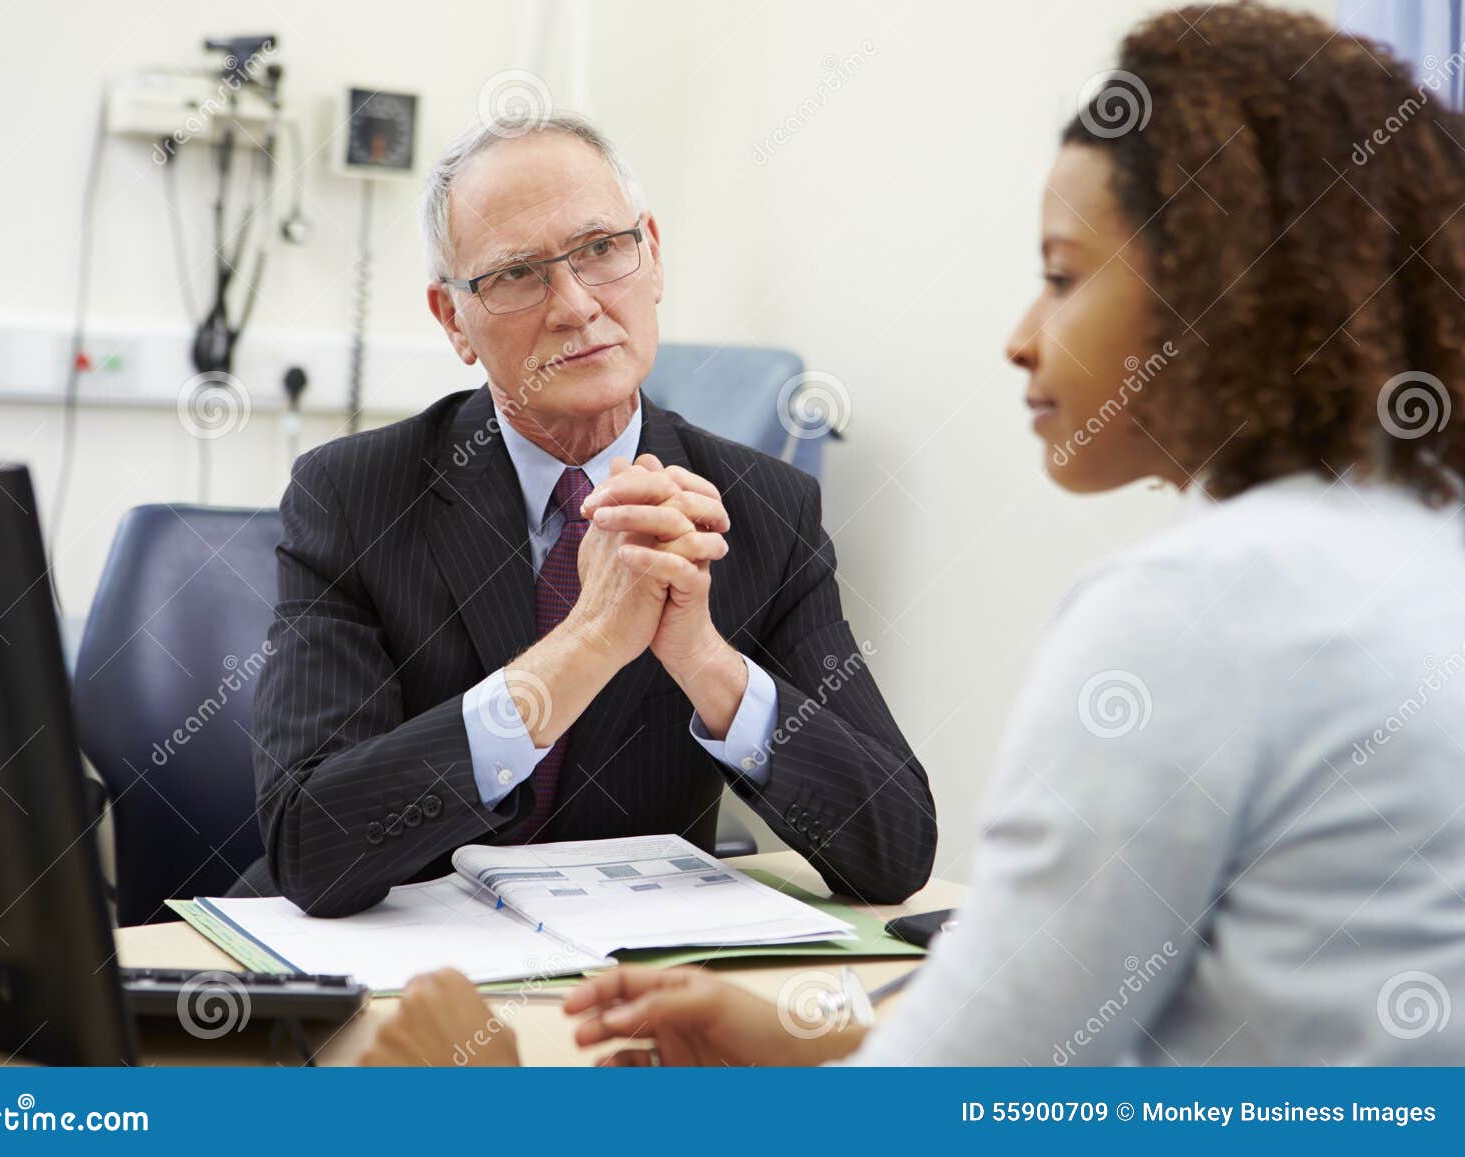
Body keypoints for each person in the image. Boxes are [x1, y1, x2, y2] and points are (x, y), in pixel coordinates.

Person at [362, 2, 1465, 1066]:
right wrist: (824, 1038)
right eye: (516, 275)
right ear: (453, 315)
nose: (1020, 337)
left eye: (1061, 276)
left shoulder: (1188, 606)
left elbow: (961, 1091)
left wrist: (486, 1105)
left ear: (1214, 289)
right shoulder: (1418, 552)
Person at [229, 112, 937, 918]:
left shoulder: (763, 508)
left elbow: (897, 847)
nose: (575, 305)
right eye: (517, 273)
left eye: (601, 248)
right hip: (400, 966)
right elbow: (310, 845)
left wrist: (706, 661)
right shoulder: (356, 496)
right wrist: (586, 646)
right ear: (453, 319)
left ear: (652, 256)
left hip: (624, 976)